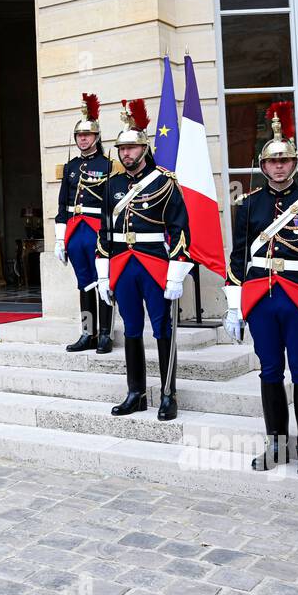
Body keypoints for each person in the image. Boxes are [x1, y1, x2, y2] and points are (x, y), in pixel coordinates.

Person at [222, 102, 298, 476]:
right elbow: (239, 256)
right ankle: (276, 442)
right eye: (272, 161)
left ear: (294, 164)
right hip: (260, 297)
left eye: (285, 160)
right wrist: (233, 303)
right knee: (270, 370)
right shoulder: (248, 205)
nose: (279, 166)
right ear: (263, 166)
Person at [96, 97, 192, 419]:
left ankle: (168, 393)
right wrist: (102, 273)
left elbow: (180, 229)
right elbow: (105, 232)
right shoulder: (112, 186)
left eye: (132, 148)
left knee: (163, 329)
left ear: (144, 148)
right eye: (122, 149)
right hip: (122, 265)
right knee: (132, 329)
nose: (127, 154)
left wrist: (176, 273)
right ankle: (136, 392)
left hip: (154, 264)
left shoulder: (165, 183)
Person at [54, 93, 114, 353]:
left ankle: (105, 335)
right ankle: (87, 333)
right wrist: (59, 237)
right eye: (79, 136)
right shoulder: (70, 167)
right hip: (75, 231)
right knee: (84, 283)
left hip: (98, 230)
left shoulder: (109, 165)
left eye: (88, 135)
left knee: (104, 282)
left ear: (97, 137)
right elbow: (62, 204)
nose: (83, 139)